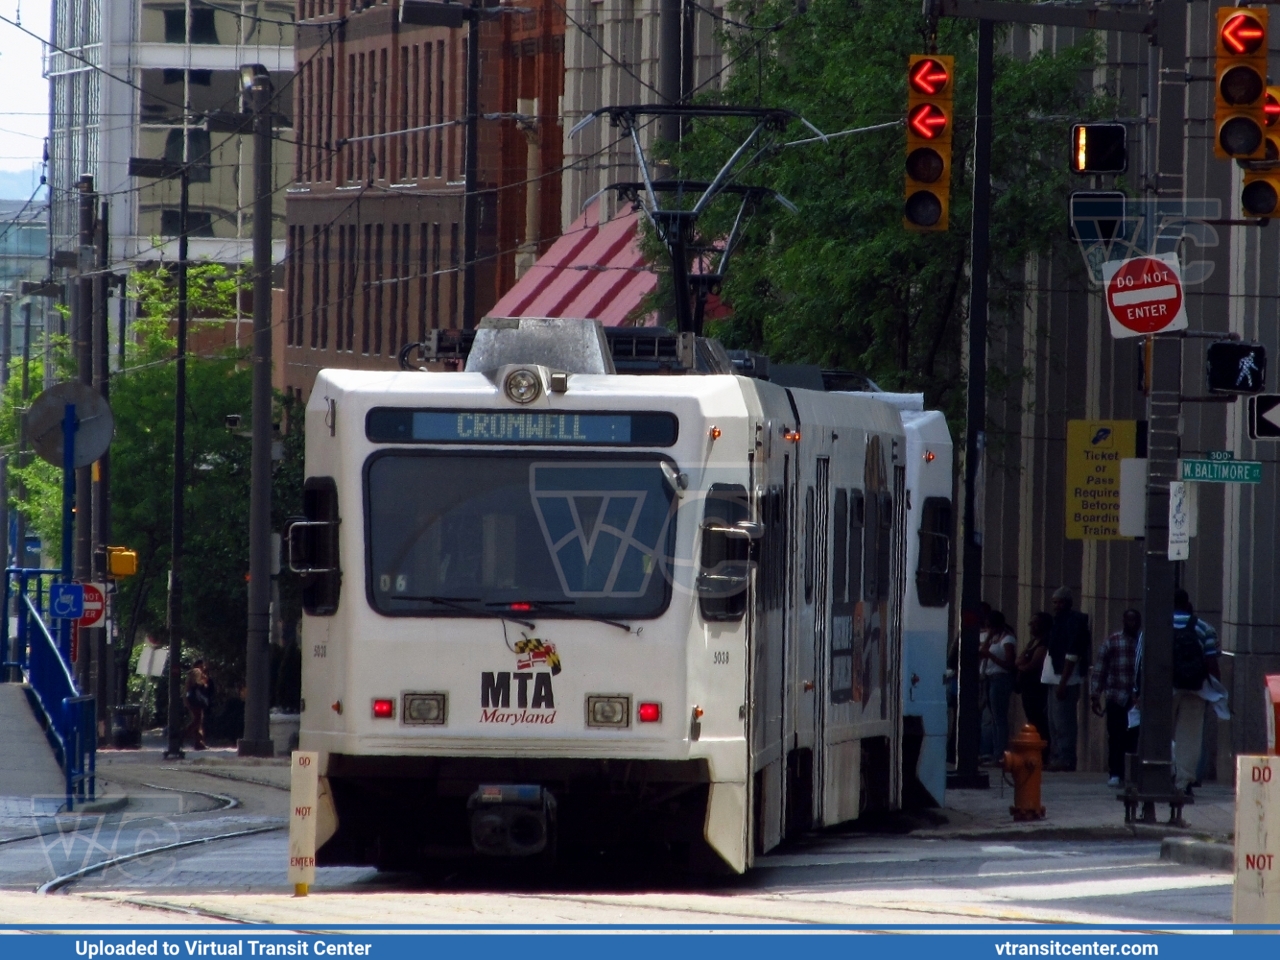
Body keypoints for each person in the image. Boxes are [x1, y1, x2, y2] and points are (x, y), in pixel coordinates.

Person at [1041, 586, 1091, 772]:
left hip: (1065, 680)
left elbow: (1072, 652)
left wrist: (1063, 681)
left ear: (1068, 603)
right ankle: (1056, 757)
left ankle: (1066, 758)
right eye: (1054, 602)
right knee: (1053, 722)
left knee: (1064, 723)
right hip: (1053, 678)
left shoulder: (1074, 621)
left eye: (1060, 602)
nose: (1056, 606)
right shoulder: (1058, 621)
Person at [1090, 608, 1141, 788]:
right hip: (1116, 697)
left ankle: (1133, 774)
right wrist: (1095, 695)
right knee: (1116, 736)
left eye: (1135, 621)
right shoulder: (1112, 642)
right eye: (1129, 620)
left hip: (1137, 700)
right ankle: (1115, 773)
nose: (1132, 624)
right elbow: (1100, 669)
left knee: (1134, 738)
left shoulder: (1142, 643)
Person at [979, 610, 1017, 760]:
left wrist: (992, 656)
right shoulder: (992, 638)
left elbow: (1009, 664)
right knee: (992, 717)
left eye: (991, 626)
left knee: (999, 717)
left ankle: (1000, 752)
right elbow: (981, 652)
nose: (989, 629)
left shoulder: (1007, 639)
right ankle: (993, 749)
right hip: (988, 677)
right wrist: (988, 636)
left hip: (1001, 678)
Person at [1016, 612, 1052, 760]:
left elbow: (1033, 665)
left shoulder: (1045, 642)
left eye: (1035, 623)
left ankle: (1044, 754)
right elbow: (1018, 661)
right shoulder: (1033, 642)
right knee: (1032, 719)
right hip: (1027, 687)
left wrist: (1023, 665)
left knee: (1039, 721)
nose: (1031, 626)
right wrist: (1022, 664)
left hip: (1037, 688)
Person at [185, 658, 209, 750]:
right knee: (197, 720)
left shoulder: (193, 672)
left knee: (198, 722)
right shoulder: (196, 671)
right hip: (195, 700)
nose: (204, 667)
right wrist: (204, 682)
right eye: (203, 665)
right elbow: (198, 683)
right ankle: (181, 736)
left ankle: (199, 743)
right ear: (199, 665)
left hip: (191, 699)